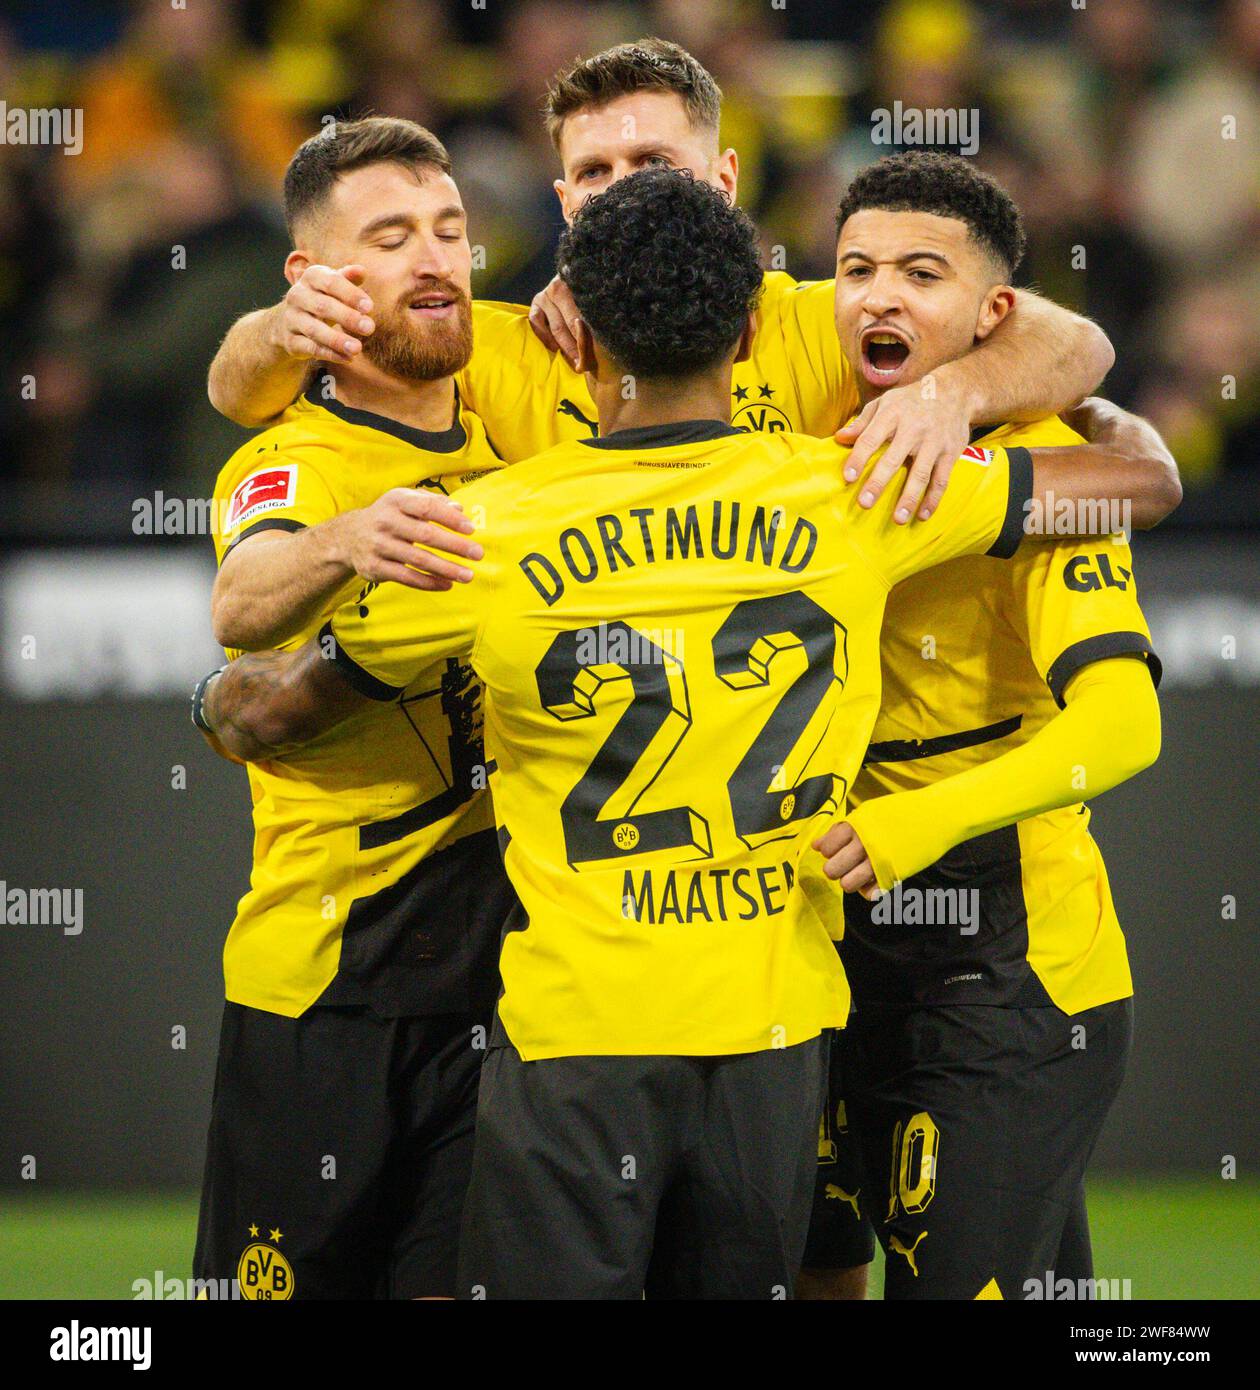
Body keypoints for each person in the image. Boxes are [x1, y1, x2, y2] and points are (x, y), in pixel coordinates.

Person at [194, 168, 1166, 1300]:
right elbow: (1132, 485)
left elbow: (271, 703)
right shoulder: (861, 490)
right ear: (755, 324)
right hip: (773, 1031)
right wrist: (1092, 415)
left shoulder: (481, 529)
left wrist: (217, 703)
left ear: (584, 341)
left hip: (573, 1039)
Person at [205, 38, 1115, 529]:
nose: (627, 186)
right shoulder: (491, 342)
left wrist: (953, 390)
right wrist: (275, 330)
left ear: (724, 179)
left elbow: (1078, 347)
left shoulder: (817, 321)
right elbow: (243, 397)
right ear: (565, 202)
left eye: (654, 160)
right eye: (596, 171)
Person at [804, 152, 1172, 1300]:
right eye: (857, 269)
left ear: (993, 313)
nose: (881, 296)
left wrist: (924, 821)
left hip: (1005, 960)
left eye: (922, 273)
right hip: (821, 931)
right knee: (819, 1265)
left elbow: (1124, 723)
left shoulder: (1041, 478)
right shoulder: (798, 437)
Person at [191, 117, 514, 1301]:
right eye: (392, 238)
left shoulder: (514, 438)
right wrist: (346, 544)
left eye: (449, 231)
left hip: (496, 983)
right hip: (330, 978)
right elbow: (244, 601)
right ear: (314, 280)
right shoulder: (298, 460)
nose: (435, 260)